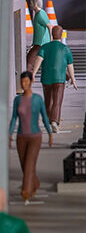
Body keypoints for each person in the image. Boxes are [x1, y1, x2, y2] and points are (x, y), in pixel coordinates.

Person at [8, 72, 53, 204]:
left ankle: (25, 191)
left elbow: (44, 117)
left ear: (32, 82)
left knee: (29, 165)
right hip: (21, 137)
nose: (24, 84)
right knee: (24, 165)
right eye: (22, 82)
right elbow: (14, 118)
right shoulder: (17, 100)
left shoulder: (38, 99)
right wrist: (10, 134)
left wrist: (50, 134)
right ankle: (35, 183)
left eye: (27, 82)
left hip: (35, 137)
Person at [31, 26, 75, 131]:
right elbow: (70, 65)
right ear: (61, 35)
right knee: (57, 101)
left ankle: (47, 121)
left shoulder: (44, 47)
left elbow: (38, 60)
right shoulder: (65, 49)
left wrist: (33, 74)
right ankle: (54, 122)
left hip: (46, 78)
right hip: (59, 79)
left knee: (48, 100)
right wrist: (73, 79)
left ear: (52, 34)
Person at [25, 0, 49, 73]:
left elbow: (50, 26)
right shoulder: (39, 13)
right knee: (51, 62)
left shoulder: (40, 14)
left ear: (35, 3)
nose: (30, 5)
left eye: (31, 3)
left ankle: (27, 80)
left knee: (29, 62)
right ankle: (69, 77)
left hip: (41, 44)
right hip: (39, 43)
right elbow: (38, 32)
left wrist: (52, 40)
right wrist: (33, 43)